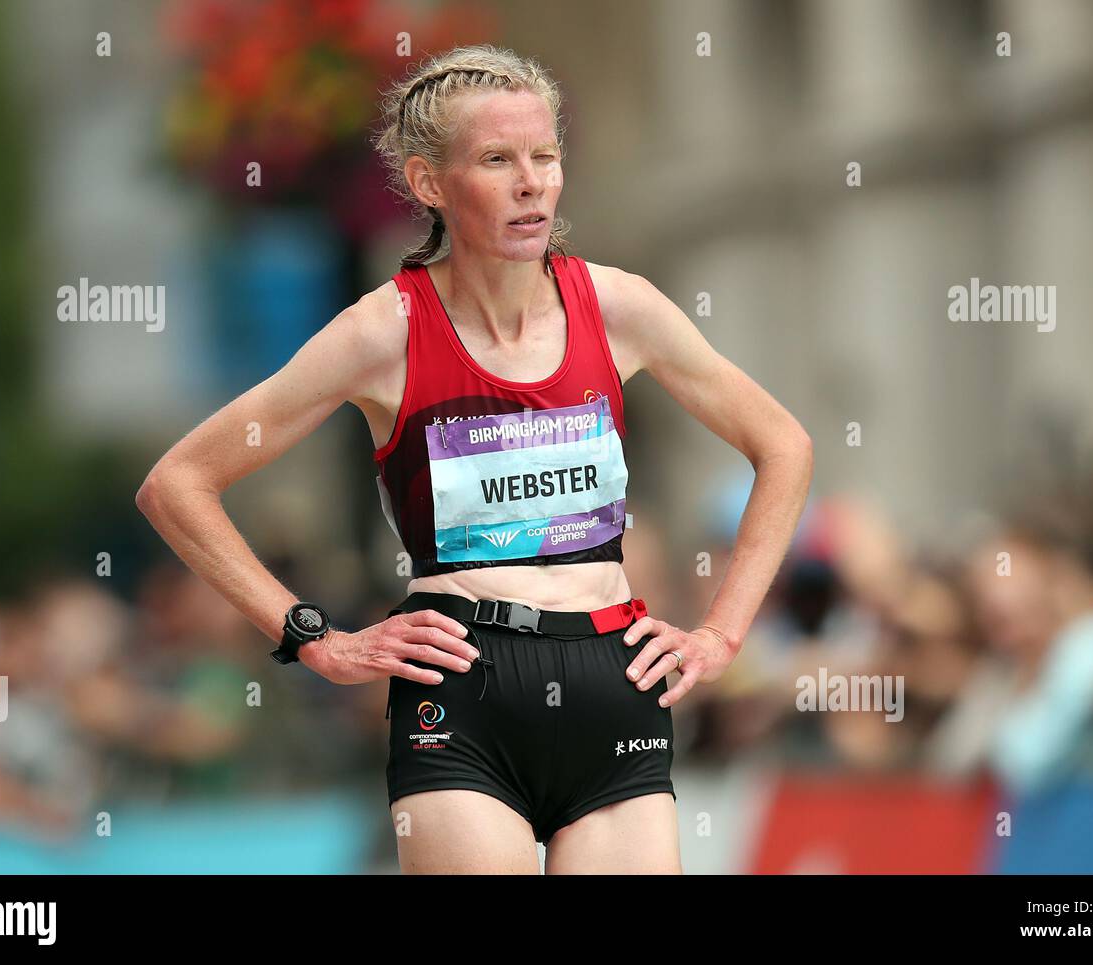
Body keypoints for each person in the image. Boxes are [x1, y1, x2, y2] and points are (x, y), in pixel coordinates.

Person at [136, 44, 813, 874]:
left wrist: (722, 632)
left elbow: (783, 445)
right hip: (460, 685)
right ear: (428, 183)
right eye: (497, 160)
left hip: (613, 678)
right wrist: (313, 638)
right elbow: (178, 483)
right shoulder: (382, 333)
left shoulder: (619, 306)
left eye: (545, 156)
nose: (531, 182)